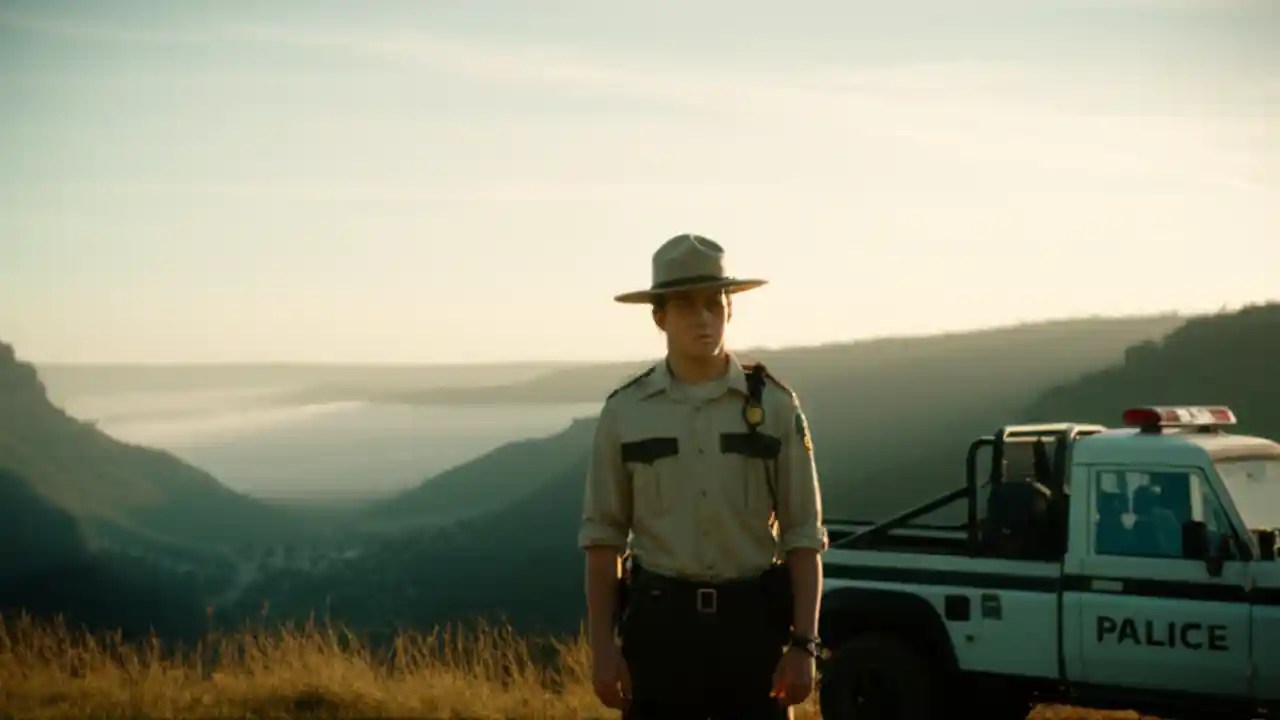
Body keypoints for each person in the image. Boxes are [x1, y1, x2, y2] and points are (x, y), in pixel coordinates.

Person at [577, 233, 829, 719]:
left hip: (751, 631)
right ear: (659, 316)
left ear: (730, 309)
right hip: (659, 632)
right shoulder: (625, 413)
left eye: (715, 302)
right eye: (686, 304)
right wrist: (604, 649)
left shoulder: (774, 406)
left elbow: (803, 534)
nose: (704, 317)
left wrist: (804, 645)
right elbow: (603, 538)